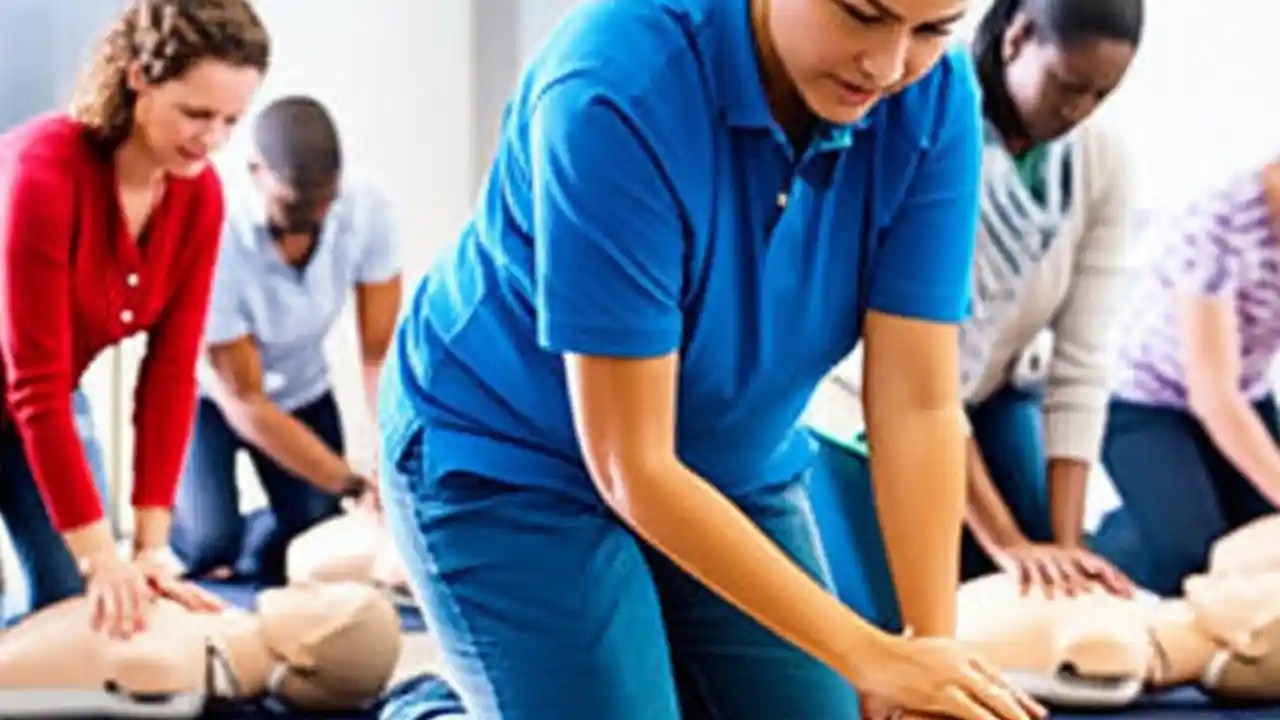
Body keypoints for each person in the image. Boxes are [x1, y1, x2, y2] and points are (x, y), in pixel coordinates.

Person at [377, 0, 1048, 718]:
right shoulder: (615, 83)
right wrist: (867, 653)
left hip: (729, 459)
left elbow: (916, 405)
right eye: (860, 14)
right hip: (511, 454)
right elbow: (632, 466)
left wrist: (926, 661)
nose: (887, 67)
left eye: (932, 29)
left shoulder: (934, 97)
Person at [804, 0, 1144, 627]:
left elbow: (1083, 362)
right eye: (1068, 86)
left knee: (1057, 588)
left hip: (988, 396)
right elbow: (924, 389)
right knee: (903, 619)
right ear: (1016, 39)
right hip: (868, 406)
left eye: (1101, 94)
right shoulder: (937, 133)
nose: (1079, 110)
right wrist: (1006, 544)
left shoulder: (1100, 161)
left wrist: (1063, 544)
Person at [0, 0, 269, 633]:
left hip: (41, 400)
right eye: (196, 113)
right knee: (91, 574)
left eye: (232, 119)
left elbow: (172, 373)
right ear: (138, 77)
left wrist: (149, 547)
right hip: (33, 388)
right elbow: (34, 381)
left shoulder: (199, 197)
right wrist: (102, 556)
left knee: (75, 605)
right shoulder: (43, 172)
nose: (214, 139)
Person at [170, 96, 401, 586]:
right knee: (209, 547)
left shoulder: (367, 207)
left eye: (324, 199)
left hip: (302, 388)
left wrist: (388, 457)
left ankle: (259, 531)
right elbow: (245, 399)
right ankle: (209, 523)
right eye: (296, 201)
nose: (314, 213)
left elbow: (379, 352)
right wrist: (349, 478)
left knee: (318, 529)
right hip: (211, 400)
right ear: (256, 171)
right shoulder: (215, 233)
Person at [1091, 158, 1280, 596]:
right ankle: (1109, 545)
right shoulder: (1217, 223)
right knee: (1192, 557)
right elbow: (1212, 394)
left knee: (1260, 543)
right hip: (1141, 399)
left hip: (1246, 392)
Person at [0, 580, 401, 713]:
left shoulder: (167, 667)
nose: (306, 585)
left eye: (320, 599)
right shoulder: (205, 631)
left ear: (301, 653)